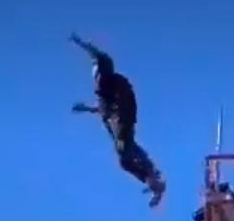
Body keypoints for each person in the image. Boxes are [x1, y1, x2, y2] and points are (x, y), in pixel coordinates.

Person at [69, 33, 166, 207]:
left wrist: (81, 43)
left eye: (96, 73)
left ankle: (152, 177)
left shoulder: (107, 74)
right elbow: (102, 109)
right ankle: (151, 178)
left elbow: (99, 56)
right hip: (118, 118)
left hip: (122, 113)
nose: (95, 78)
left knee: (124, 146)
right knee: (124, 157)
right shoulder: (103, 91)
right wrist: (85, 108)